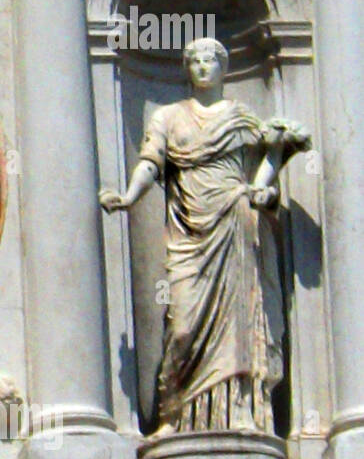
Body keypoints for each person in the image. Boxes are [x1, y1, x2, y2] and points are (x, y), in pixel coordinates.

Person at [99, 37, 310, 436]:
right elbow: (151, 161)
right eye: (194, 60)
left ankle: (242, 411)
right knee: (182, 326)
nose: (201, 66)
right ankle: (174, 416)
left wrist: (267, 187)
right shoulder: (167, 117)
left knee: (241, 321)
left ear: (224, 67)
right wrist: (128, 197)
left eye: (210, 59)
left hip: (234, 223)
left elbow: (260, 173)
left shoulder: (242, 118)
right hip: (189, 234)